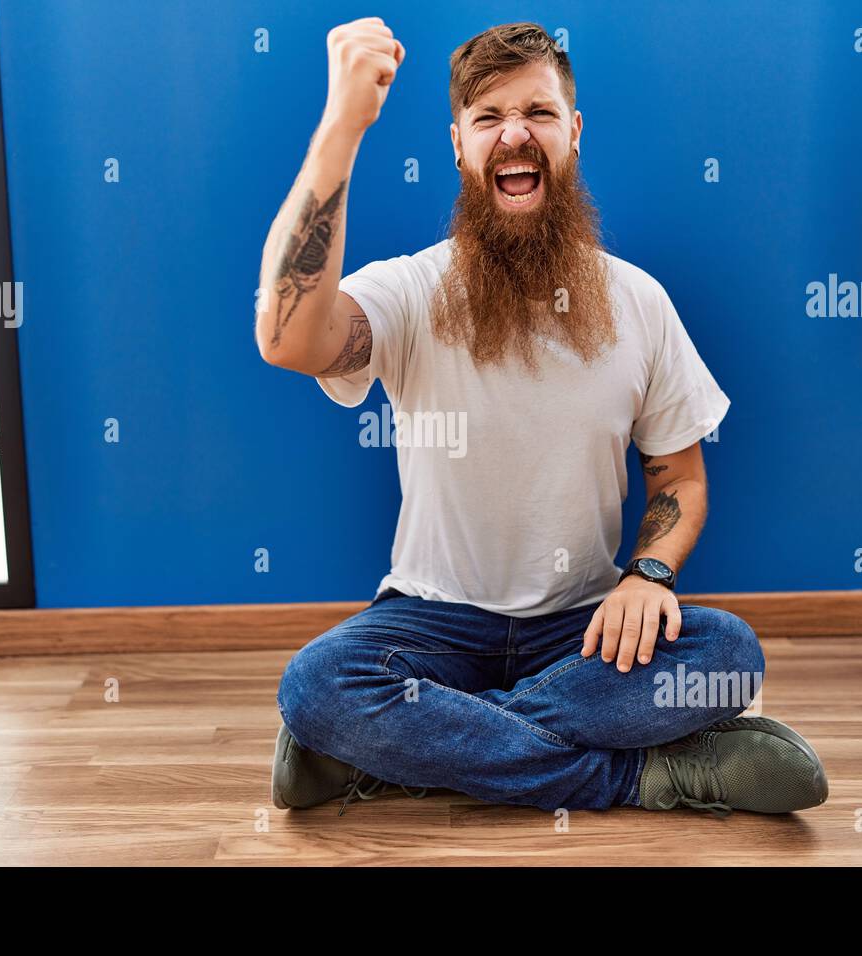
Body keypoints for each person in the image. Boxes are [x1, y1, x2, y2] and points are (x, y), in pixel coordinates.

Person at [255, 18, 827, 817]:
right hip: (431, 628)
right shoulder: (412, 292)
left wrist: (649, 574)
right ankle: (649, 776)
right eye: (487, 118)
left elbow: (680, 476)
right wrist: (342, 125)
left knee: (729, 654)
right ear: (457, 145)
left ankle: (392, 758)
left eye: (539, 113)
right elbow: (286, 337)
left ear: (573, 133)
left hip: (585, 634)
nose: (514, 133)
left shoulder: (639, 301)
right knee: (318, 684)